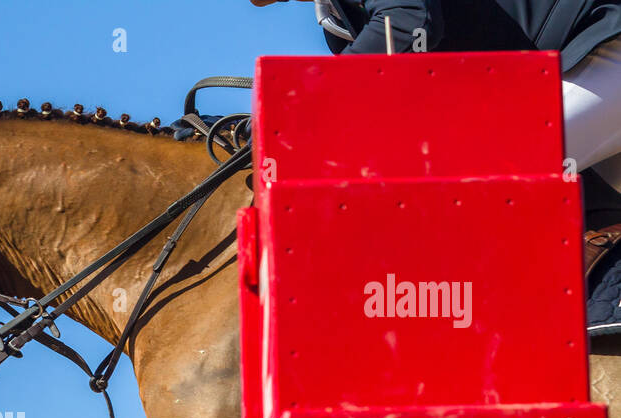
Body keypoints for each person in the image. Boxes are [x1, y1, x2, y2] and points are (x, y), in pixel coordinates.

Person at [253, 0, 621, 271]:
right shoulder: (337, 22)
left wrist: (306, 106)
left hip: (602, 45)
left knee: (464, 187)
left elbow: (409, 22)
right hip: (559, 77)